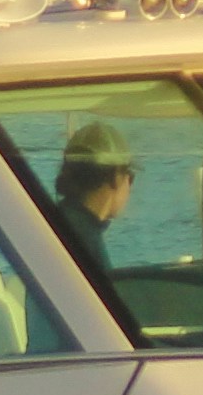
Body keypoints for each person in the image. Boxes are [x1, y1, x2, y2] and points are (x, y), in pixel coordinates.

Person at [45, 121, 137, 289]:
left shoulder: (59, 221)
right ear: (117, 178)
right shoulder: (84, 239)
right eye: (130, 177)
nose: (130, 186)